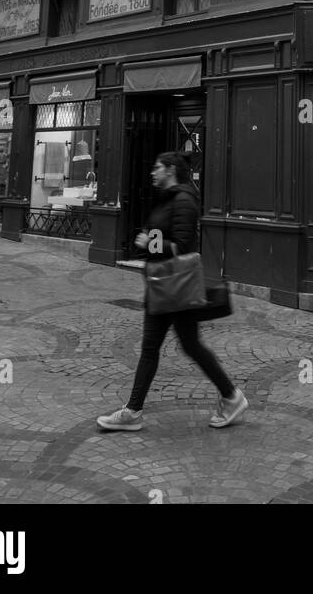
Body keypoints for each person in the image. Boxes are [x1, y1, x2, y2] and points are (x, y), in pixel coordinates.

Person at [97, 152, 247, 432]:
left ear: (171, 170)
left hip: (174, 286)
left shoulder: (183, 200)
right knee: (178, 346)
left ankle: (134, 411)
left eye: (157, 167)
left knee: (165, 347)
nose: (152, 172)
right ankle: (229, 396)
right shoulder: (170, 198)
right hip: (163, 284)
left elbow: (182, 244)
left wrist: (147, 241)